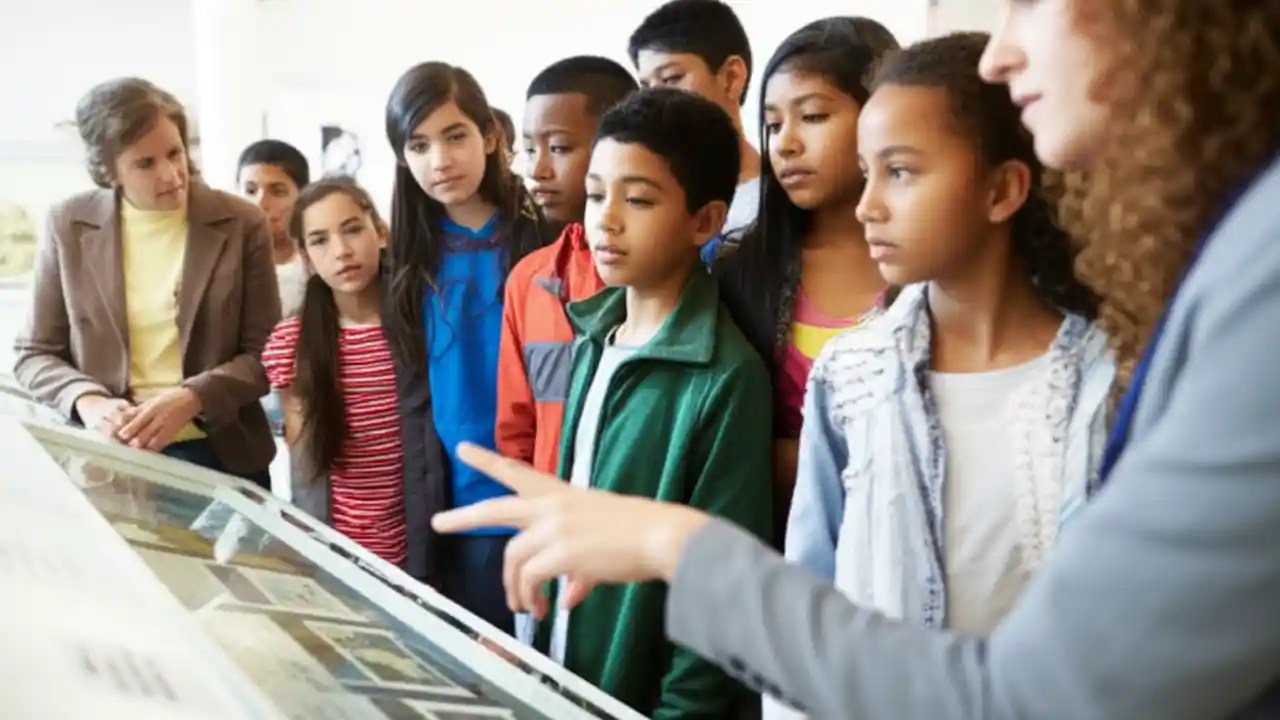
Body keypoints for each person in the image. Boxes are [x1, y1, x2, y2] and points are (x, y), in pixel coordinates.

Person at [432, 0, 1280, 716]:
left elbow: (1040, 689)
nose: (1007, 47)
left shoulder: (1158, 336)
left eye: (1031, 0)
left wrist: (673, 545)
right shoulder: (853, 371)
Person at [785, 26, 1110, 673]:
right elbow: (808, 606)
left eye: (900, 172)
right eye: (865, 174)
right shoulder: (851, 379)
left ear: (1002, 190)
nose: (867, 207)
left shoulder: (1112, 380)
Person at [535, 87, 771, 717]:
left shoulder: (725, 377)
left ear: (704, 219)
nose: (605, 219)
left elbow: (720, 588)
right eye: (595, 193)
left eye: (637, 199)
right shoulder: (591, 335)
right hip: (559, 670)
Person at [14, 77, 279, 487]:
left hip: (223, 456)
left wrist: (193, 397)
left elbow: (266, 354)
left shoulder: (243, 222)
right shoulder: (67, 225)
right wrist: (90, 402)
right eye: (145, 163)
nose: (172, 174)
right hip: (113, 459)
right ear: (108, 171)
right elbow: (34, 354)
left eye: (175, 153)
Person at [382, 61, 555, 629]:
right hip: (462, 516)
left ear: (490, 136)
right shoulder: (408, 270)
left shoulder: (546, 244)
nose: (440, 160)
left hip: (552, 501)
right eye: (419, 144)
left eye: (455, 136)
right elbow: (412, 413)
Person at [714, 17, 898, 545]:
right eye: (772, 125)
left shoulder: (935, 269)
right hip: (773, 552)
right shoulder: (740, 270)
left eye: (813, 116)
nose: (786, 144)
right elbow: (720, 443)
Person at [495, 55, 637, 477]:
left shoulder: (655, 273)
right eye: (528, 148)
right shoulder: (530, 280)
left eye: (558, 148)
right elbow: (516, 428)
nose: (536, 169)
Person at [261, 177, 413, 568]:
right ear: (307, 259)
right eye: (320, 240)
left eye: (352, 230)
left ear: (380, 233)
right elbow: (305, 463)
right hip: (338, 546)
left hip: (419, 538)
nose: (342, 251)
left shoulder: (420, 324)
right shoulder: (292, 343)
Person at [628, 0, 759, 262]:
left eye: (671, 79)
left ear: (731, 77)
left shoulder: (781, 202)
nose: (654, 100)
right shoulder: (640, 198)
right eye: (646, 86)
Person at [237, 139, 311, 318]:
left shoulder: (315, 262)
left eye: (277, 191)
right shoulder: (227, 265)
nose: (260, 203)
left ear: (302, 197)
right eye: (250, 191)